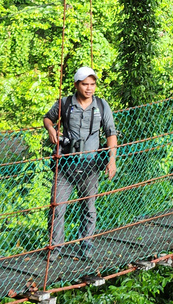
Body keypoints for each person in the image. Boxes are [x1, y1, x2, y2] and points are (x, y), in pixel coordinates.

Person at [42, 67, 117, 260]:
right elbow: (48, 118)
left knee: (89, 207)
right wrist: (51, 129)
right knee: (57, 207)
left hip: (91, 165)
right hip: (66, 165)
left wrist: (112, 160)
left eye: (92, 84)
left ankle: (86, 244)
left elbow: (111, 133)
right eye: (85, 84)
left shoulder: (101, 105)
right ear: (77, 84)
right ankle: (55, 247)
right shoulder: (65, 103)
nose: (89, 88)